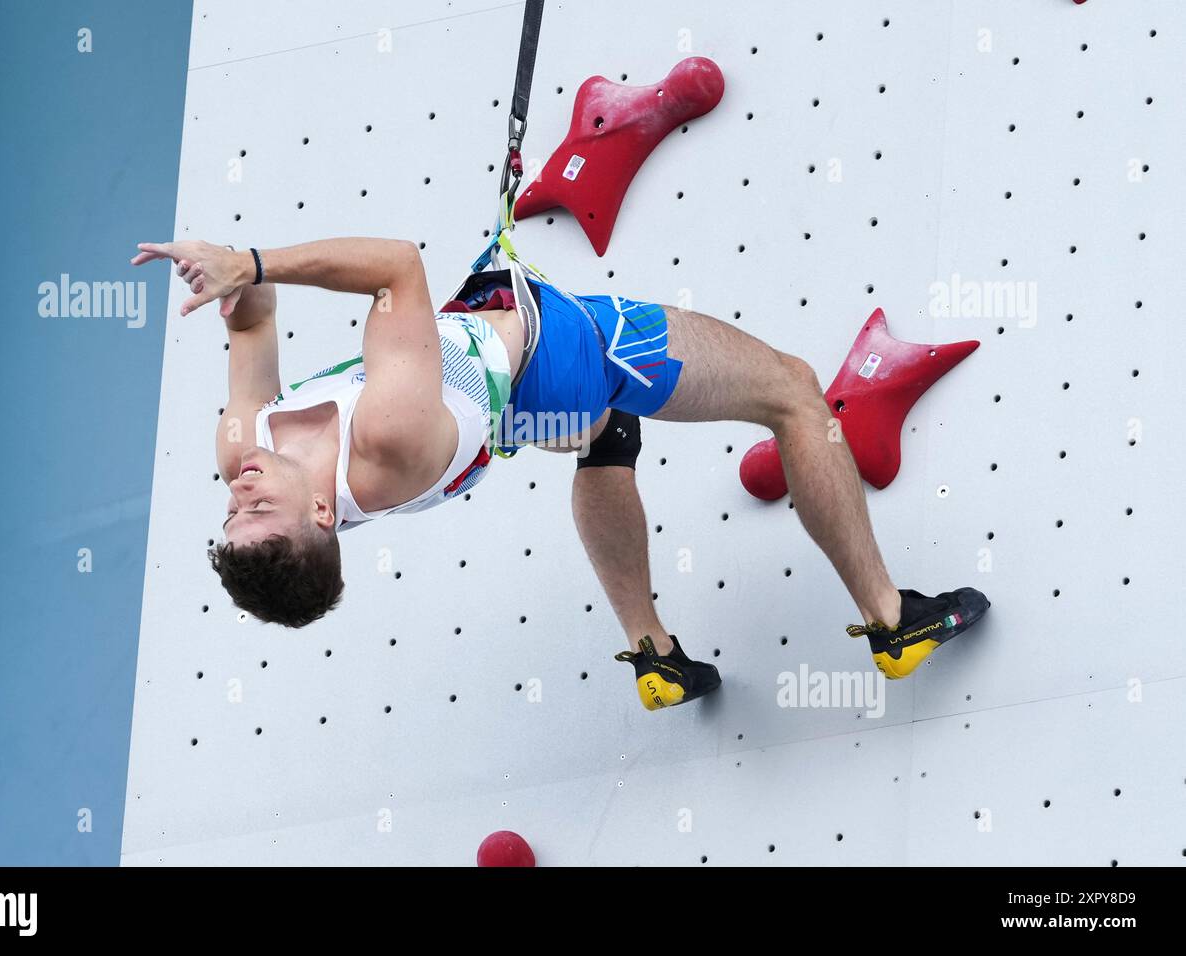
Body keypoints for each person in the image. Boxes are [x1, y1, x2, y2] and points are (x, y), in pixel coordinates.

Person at [131, 237, 989, 711]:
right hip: (559, 350)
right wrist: (255, 257)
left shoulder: (244, 446)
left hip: (501, 409)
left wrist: (230, 284)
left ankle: (655, 654)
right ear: (321, 512)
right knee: (796, 394)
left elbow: (253, 329)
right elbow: (398, 267)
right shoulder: (384, 439)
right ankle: (893, 620)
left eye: (232, 513)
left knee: (603, 439)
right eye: (259, 514)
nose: (239, 493)